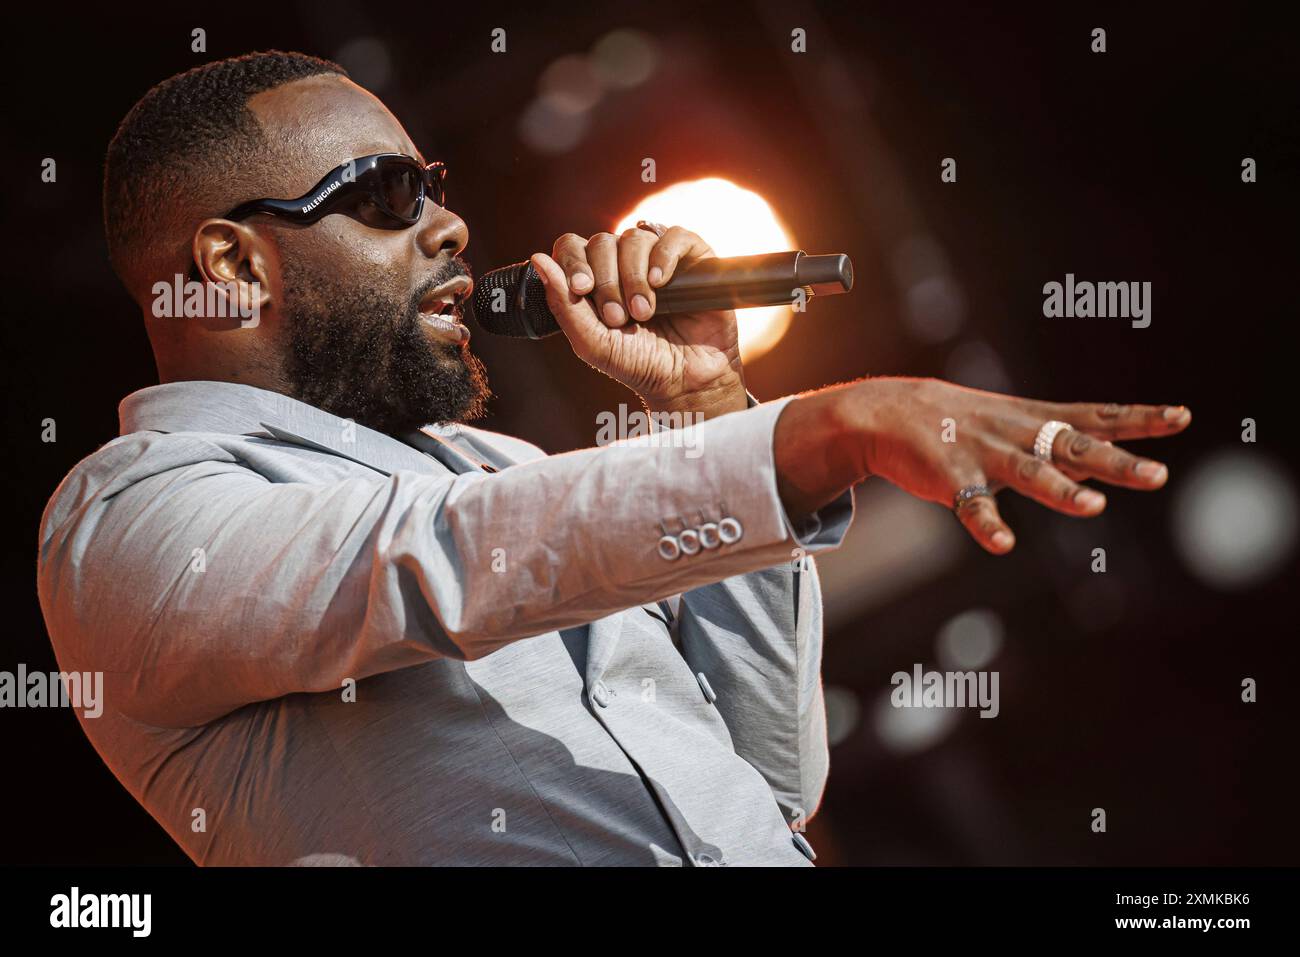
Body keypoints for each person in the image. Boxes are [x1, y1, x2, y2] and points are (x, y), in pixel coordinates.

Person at [36, 51, 1190, 866]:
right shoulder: (130, 520)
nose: (450, 227)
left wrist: (706, 409)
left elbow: (764, 782)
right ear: (232, 263)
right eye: (388, 197)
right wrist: (815, 433)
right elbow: (425, 564)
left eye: (434, 186)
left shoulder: (492, 465)